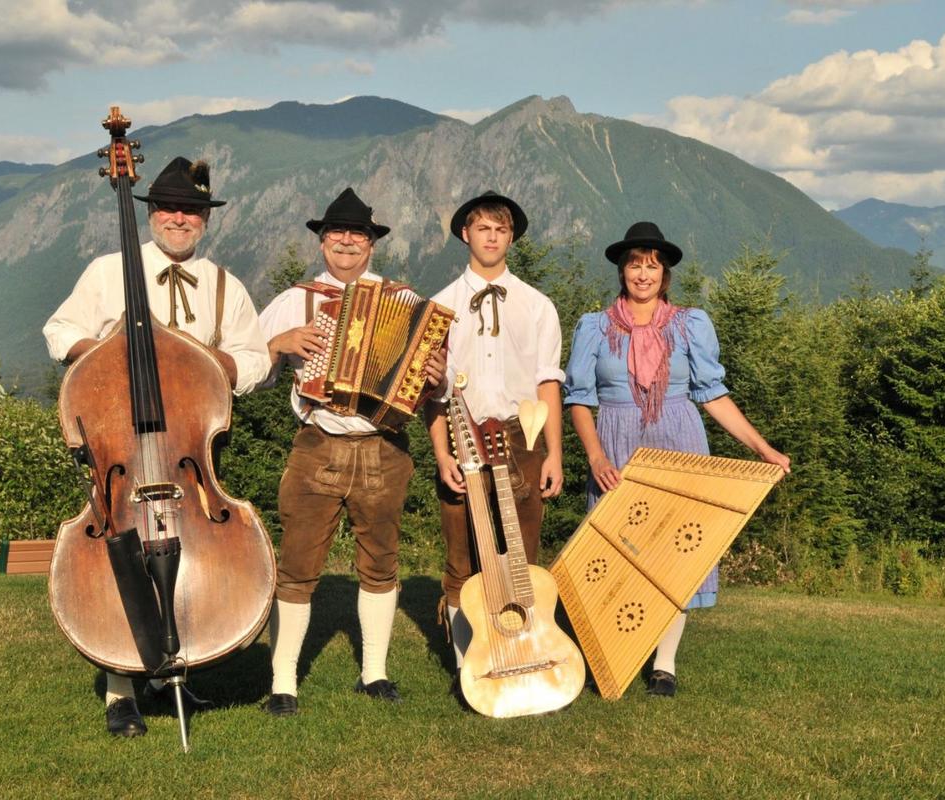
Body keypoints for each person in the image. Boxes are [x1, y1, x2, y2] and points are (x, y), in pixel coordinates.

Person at [42, 156, 271, 737]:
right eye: (169, 208)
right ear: (149, 214)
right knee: (119, 554)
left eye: (191, 210)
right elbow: (59, 332)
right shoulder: (108, 271)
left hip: (191, 453)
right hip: (121, 443)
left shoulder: (225, 285)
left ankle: (175, 665)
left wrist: (210, 364)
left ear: (205, 219)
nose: (179, 218)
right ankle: (120, 691)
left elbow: (257, 359)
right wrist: (103, 356)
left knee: (193, 547)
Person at [563, 220, 790, 697]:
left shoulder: (690, 324)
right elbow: (579, 400)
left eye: (652, 266)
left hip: (680, 443)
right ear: (622, 271)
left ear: (664, 274)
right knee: (617, 552)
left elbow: (712, 395)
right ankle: (612, 653)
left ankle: (663, 665)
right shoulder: (594, 327)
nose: (643, 274)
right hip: (618, 448)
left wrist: (762, 448)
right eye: (634, 265)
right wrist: (596, 456)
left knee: (676, 553)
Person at [257, 187, 446, 716]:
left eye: (357, 234)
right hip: (318, 442)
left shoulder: (403, 300)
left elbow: (434, 383)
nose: (346, 241)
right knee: (297, 562)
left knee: (381, 562)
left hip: (384, 446)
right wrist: (278, 344)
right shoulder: (294, 301)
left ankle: (374, 674)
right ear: (322, 242)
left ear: (371, 244)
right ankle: (283, 683)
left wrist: (436, 376)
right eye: (336, 233)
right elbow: (249, 373)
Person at [425, 191, 565, 682]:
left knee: (521, 554)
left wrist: (553, 454)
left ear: (511, 238)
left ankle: (522, 655)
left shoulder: (537, 306)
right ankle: (468, 664)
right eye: (482, 228)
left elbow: (548, 383)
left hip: (521, 435)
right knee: (461, 554)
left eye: (500, 230)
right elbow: (430, 392)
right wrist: (441, 453)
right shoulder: (439, 305)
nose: (491, 237)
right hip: (460, 434)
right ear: (465, 234)